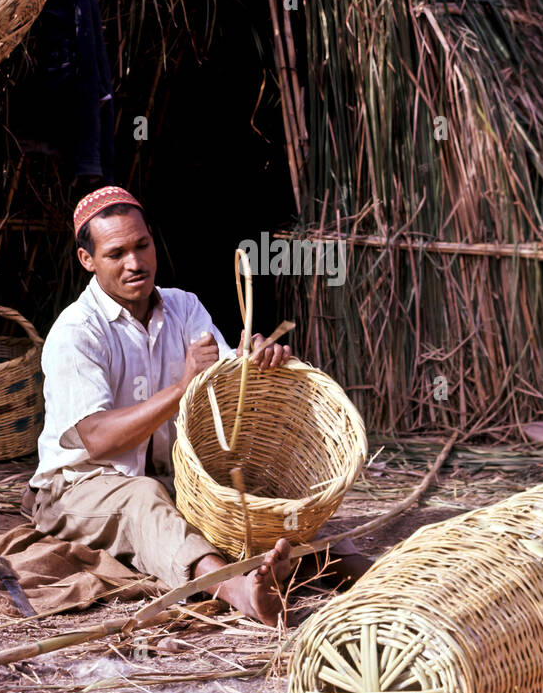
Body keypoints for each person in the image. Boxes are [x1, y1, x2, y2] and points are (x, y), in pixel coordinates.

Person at [28, 186, 370, 625]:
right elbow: (97, 439)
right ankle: (240, 591)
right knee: (143, 498)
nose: (135, 263)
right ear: (87, 261)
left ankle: (367, 572)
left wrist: (258, 359)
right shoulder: (77, 332)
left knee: (243, 499)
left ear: (152, 238)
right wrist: (181, 386)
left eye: (142, 245)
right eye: (116, 254)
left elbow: (226, 379)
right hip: (78, 487)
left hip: (170, 478)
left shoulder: (183, 307)